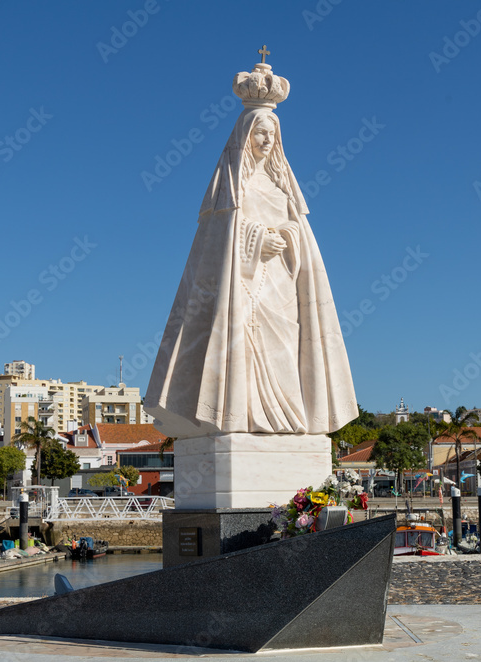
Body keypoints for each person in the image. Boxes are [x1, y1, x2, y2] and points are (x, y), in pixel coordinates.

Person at [146, 63, 357, 437]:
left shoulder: (283, 189)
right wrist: (257, 240)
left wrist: (287, 236)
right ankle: (243, 418)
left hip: (282, 283)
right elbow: (219, 244)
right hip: (243, 286)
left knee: (287, 351)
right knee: (246, 349)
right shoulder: (232, 189)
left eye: (272, 135)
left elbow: (302, 236)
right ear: (245, 136)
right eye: (260, 133)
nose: (266, 141)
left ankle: (289, 421)